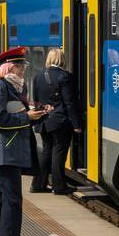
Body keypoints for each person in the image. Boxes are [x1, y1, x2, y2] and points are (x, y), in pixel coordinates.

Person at [0, 46, 48, 236]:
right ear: (8, 67)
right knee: (12, 199)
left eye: (23, 65)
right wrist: (26, 118)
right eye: (19, 66)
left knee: (2, 197)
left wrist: (38, 114)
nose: (23, 70)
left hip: (9, 151)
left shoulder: (13, 89)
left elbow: (17, 114)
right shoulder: (0, 89)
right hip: (5, 152)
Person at [30, 47, 84, 195]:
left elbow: (36, 100)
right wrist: (77, 124)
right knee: (58, 153)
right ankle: (59, 186)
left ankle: (38, 184)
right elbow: (69, 103)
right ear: (62, 59)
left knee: (46, 152)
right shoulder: (65, 77)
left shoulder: (38, 76)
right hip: (60, 121)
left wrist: (43, 111)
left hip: (43, 119)